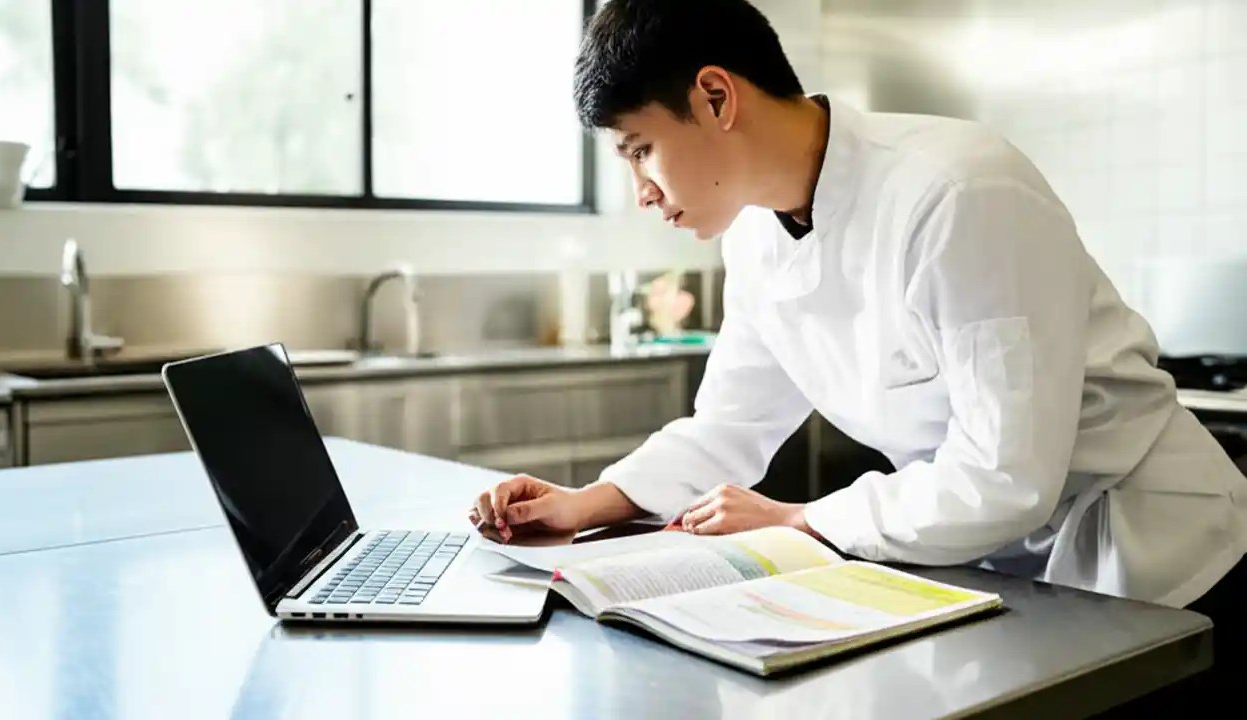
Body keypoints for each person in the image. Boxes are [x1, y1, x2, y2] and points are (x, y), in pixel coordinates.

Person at [469, 0, 1246, 701]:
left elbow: (1003, 477)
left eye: (640, 150)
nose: (640, 189)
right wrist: (585, 505)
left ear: (715, 97)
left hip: (1160, 566)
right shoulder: (754, 236)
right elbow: (731, 426)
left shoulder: (958, 192)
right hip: (998, 575)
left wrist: (800, 521)